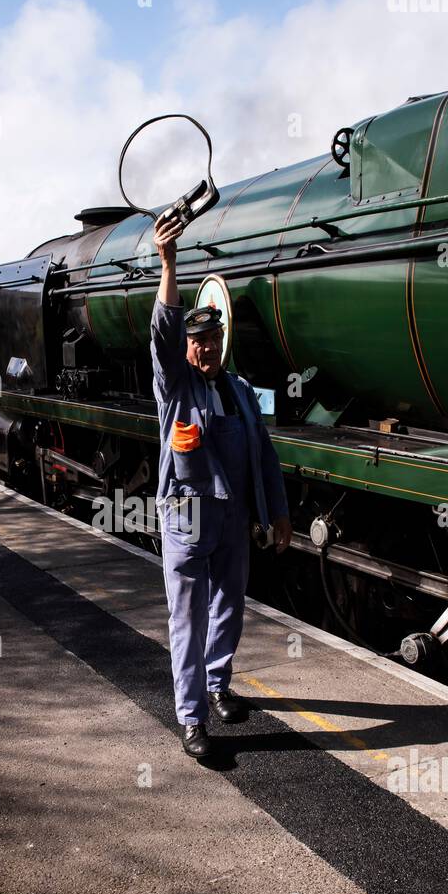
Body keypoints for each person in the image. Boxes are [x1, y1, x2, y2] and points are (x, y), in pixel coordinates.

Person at [151, 212, 293, 760]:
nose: (206, 349)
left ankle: (218, 683)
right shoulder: (174, 385)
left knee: (229, 603)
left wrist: (277, 512)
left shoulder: (240, 390)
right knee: (187, 617)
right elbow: (162, 335)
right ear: (186, 348)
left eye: (213, 339)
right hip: (187, 515)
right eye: (197, 342)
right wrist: (169, 263)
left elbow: (265, 455)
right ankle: (191, 719)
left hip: (234, 515)